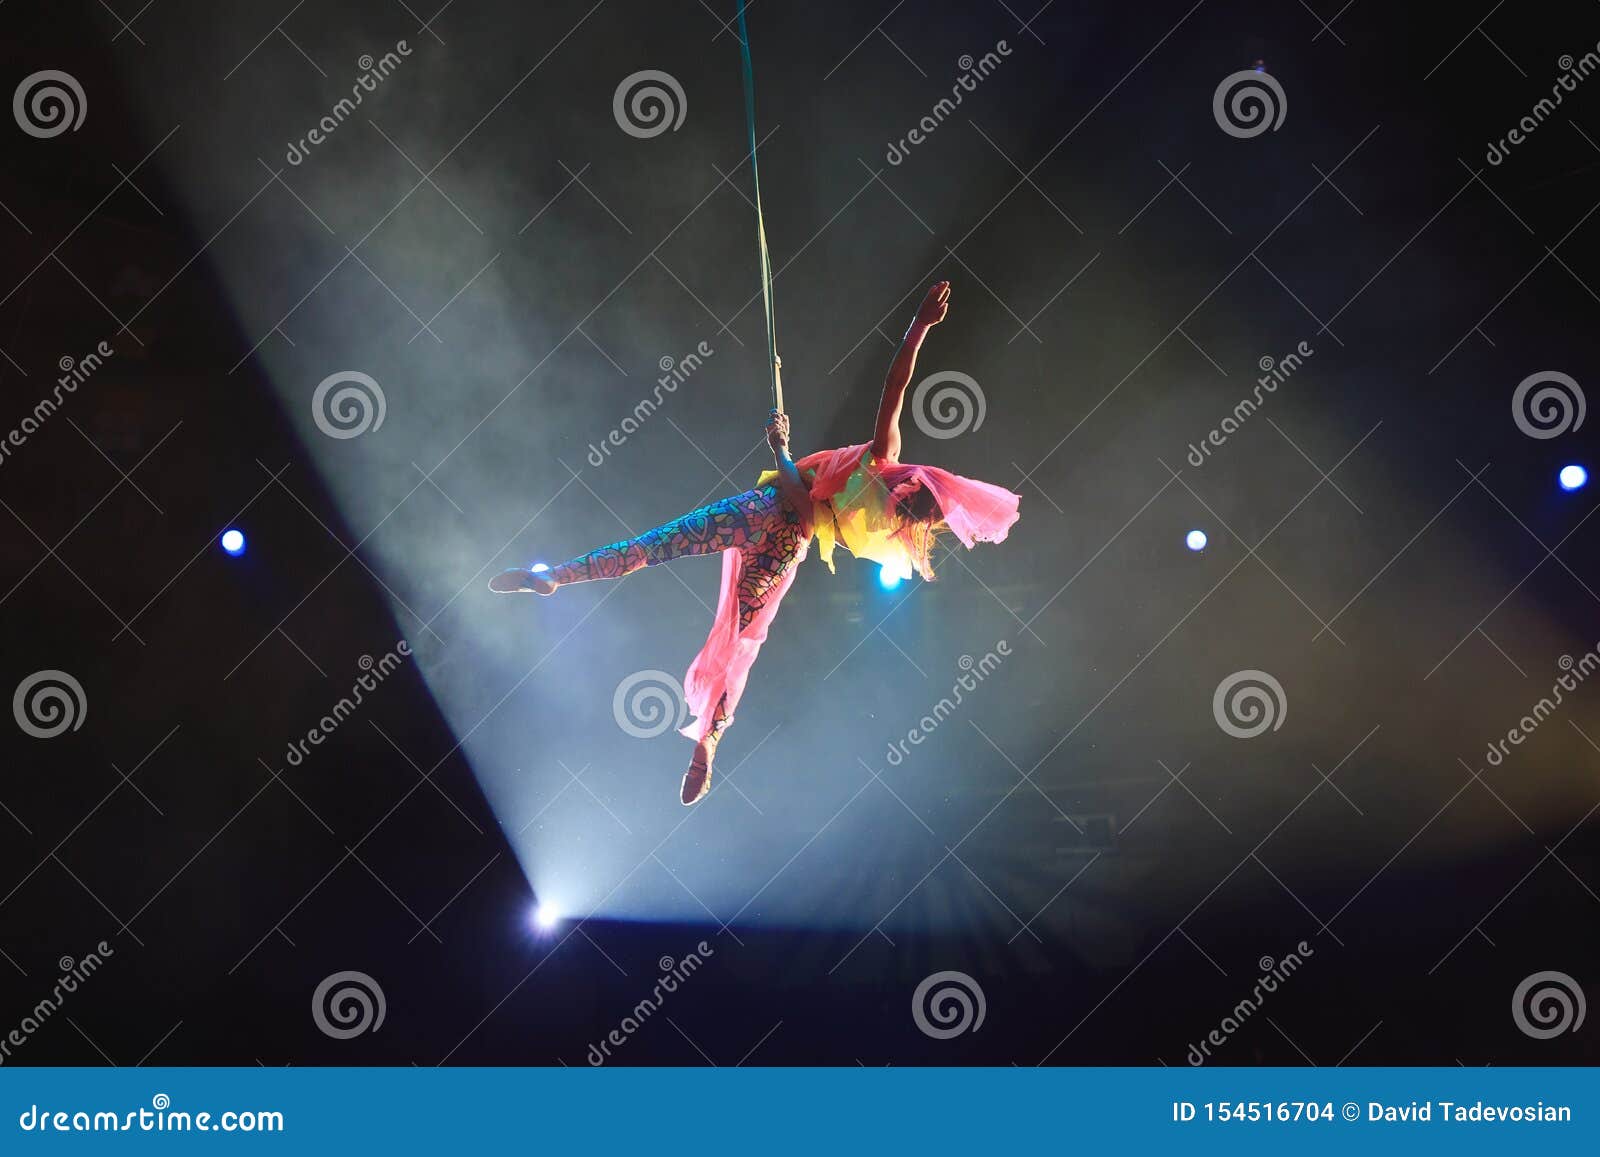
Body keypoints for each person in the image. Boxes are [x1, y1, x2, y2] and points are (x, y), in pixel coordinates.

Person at [491, 281, 1021, 805]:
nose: (902, 503)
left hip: (769, 522)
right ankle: (558, 581)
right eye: (911, 499)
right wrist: (918, 328)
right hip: (775, 536)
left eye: (910, 508)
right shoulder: (883, 462)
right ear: (913, 484)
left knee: (715, 609)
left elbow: (805, 509)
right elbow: (895, 388)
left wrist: (782, 450)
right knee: (701, 592)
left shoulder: (877, 500)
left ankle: (702, 732)